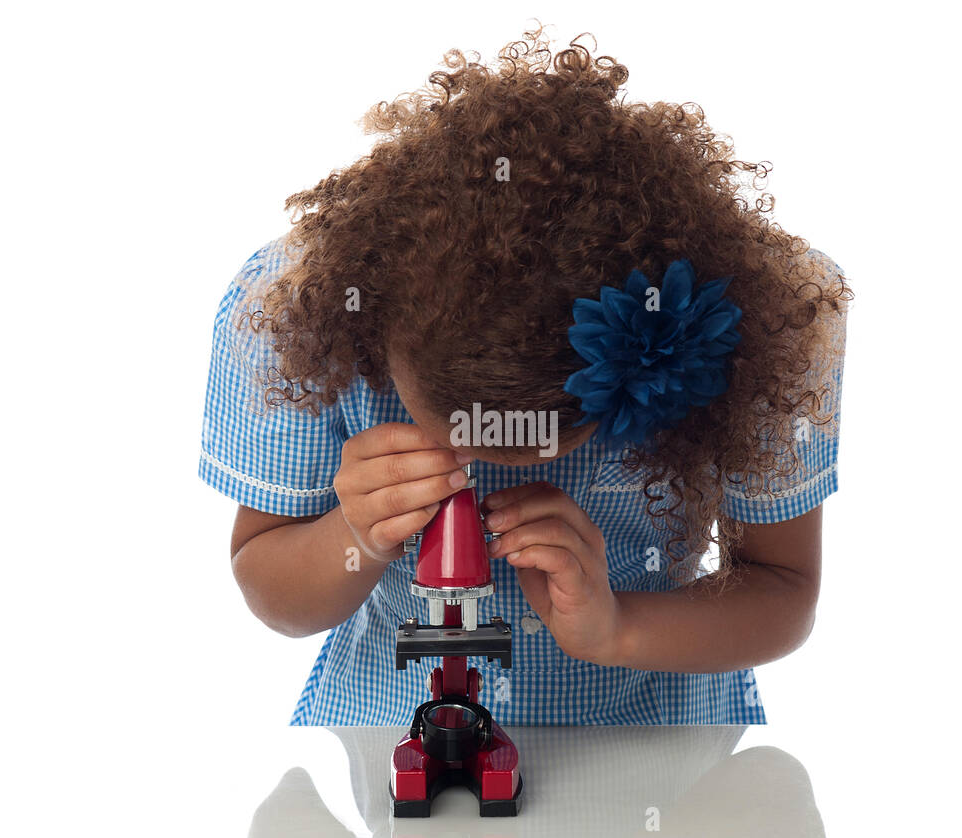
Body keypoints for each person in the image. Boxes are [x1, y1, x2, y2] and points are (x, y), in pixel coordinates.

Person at [198, 27, 852, 726]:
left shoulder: (764, 317)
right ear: (381, 333)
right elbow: (271, 589)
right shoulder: (293, 303)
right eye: (452, 431)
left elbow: (782, 590)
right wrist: (353, 533)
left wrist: (617, 627)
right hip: (388, 721)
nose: (471, 461)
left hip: (658, 749)